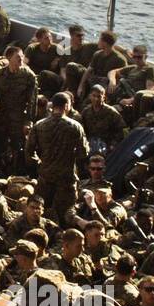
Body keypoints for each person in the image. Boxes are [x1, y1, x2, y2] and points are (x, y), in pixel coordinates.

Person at [28, 91, 89, 221]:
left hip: (45, 176)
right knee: (66, 217)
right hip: (66, 178)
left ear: (52, 105)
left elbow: (28, 151)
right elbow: (83, 153)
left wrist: (39, 163)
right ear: (67, 106)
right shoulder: (76, 126)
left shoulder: (39, 125)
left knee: (39, 215)